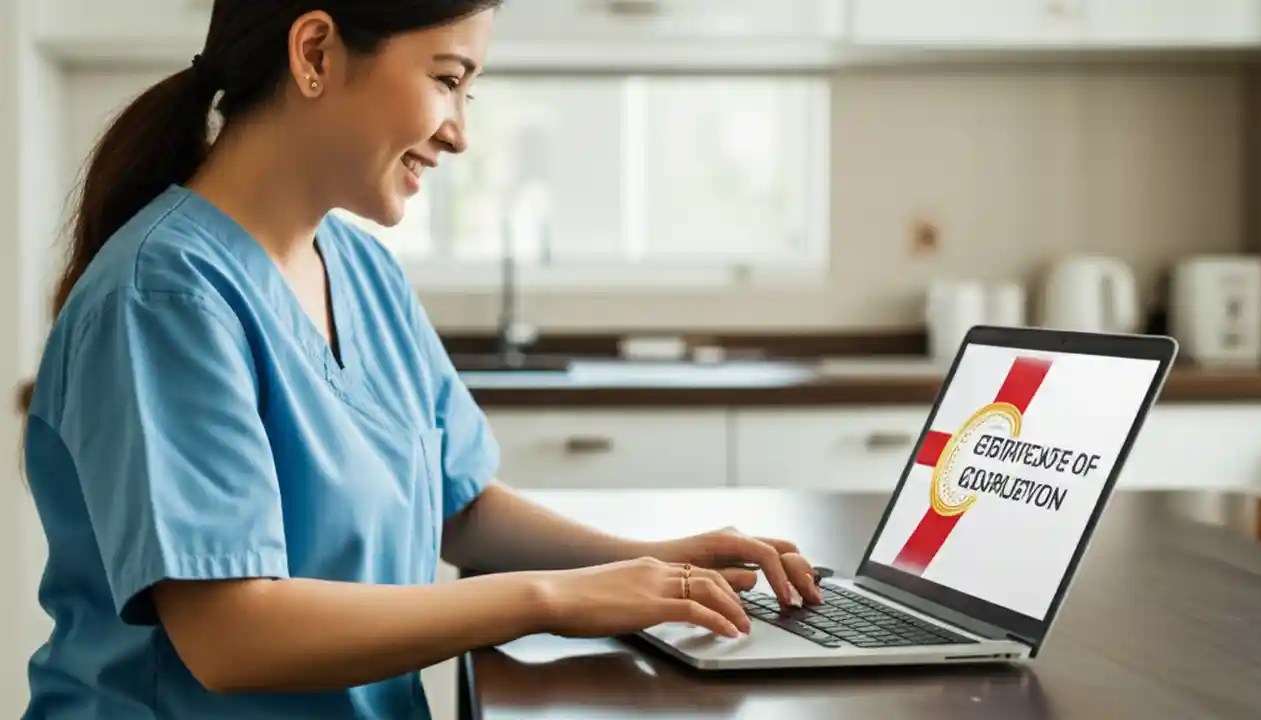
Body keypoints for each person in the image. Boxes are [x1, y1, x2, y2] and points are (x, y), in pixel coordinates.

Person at [18, 2, 824, 718]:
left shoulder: (361, 269)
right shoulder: (164, 296)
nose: (460, 131)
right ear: (315, 54)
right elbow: (232, 637)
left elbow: (457, 506)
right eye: (447, 79)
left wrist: (650, 562)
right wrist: (550, 598)